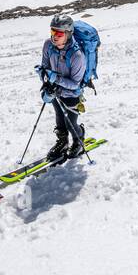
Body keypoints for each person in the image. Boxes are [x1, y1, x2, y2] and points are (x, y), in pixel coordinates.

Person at [39, 13, 87, 163]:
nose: (54, 36)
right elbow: (45, 67)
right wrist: (45, 80)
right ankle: (62, 142)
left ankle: (78, 139)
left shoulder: (77, 56)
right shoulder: (48, 45)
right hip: (55, 91)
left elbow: (75, 84)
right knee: (59, 119)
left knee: (71, 123)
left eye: (58, 33)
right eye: (53, 32)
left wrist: (56, 79)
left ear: (68, 33)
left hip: (72, 95)